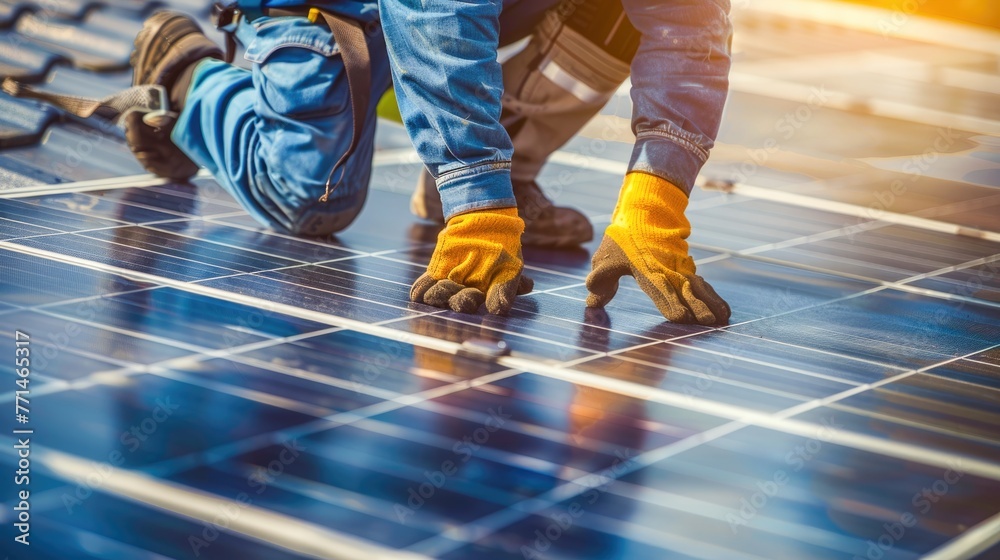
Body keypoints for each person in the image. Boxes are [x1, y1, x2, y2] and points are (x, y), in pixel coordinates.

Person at [124, 0, 733, 323]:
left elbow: (690, 26)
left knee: (621, 12)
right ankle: (186, 78)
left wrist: (656, 198)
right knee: (312, 198)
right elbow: (436, 14)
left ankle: (508, 174)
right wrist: (476, 202)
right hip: (331, 6)